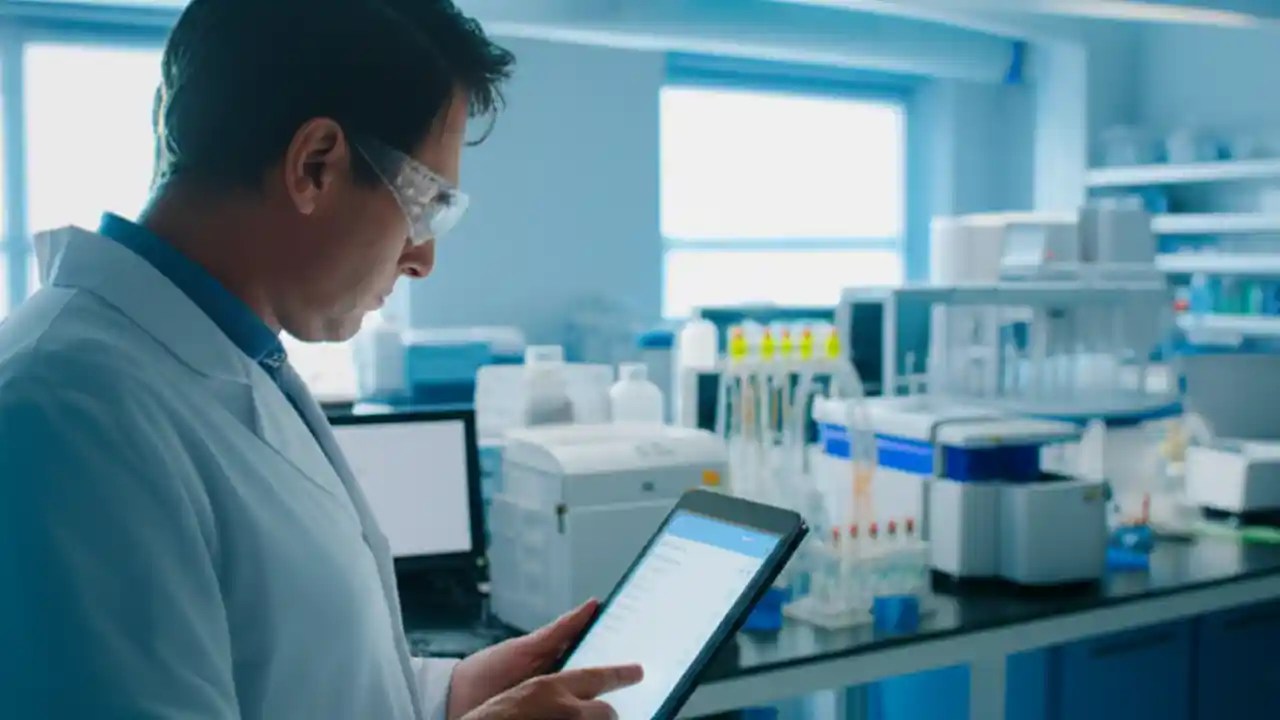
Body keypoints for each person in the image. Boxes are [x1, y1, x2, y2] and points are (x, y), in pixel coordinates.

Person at [0, 1, 641, 718]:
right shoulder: (62, 417)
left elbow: (290, 673)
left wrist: (451, 693)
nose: (423, 257)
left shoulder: (227, 359)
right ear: (315, 165)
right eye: (426, 204)